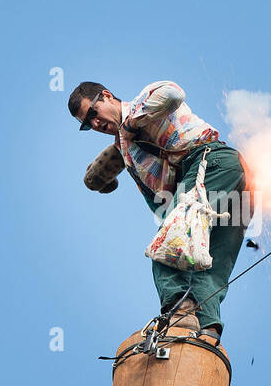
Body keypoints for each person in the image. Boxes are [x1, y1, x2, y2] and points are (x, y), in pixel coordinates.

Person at [69, 79, 249, 338]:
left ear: (107, 96)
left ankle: (179, 314)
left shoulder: (143, 103)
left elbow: (174, 94)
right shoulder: (124, 147)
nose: (95, 124)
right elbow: (103, 171)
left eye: (93, 114)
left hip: (210, 163)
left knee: (169, 247)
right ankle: (207, 332)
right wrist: (100, 179)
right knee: (208, 264)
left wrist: (133, 122)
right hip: (233, 181)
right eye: (87, 125)